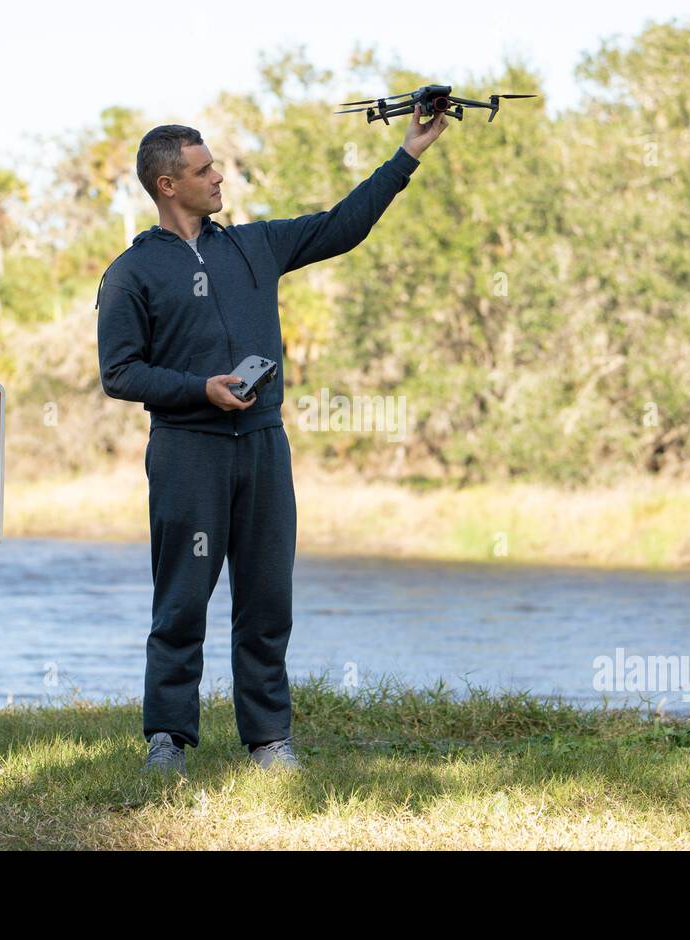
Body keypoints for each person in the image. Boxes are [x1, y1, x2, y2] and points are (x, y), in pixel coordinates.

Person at [96, 104, 449, 776]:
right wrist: (202, 388)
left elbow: (341, 226)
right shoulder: (132, 273)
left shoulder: (253, 245)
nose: (217, 177)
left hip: (261, 445)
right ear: (168, 185)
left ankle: (268, 740)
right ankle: (167, 737)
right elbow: (120, 372)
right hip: (186, 451)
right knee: (180, 600)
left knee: (266, 598)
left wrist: (408, 155)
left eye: (214, 165)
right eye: (203, 170)